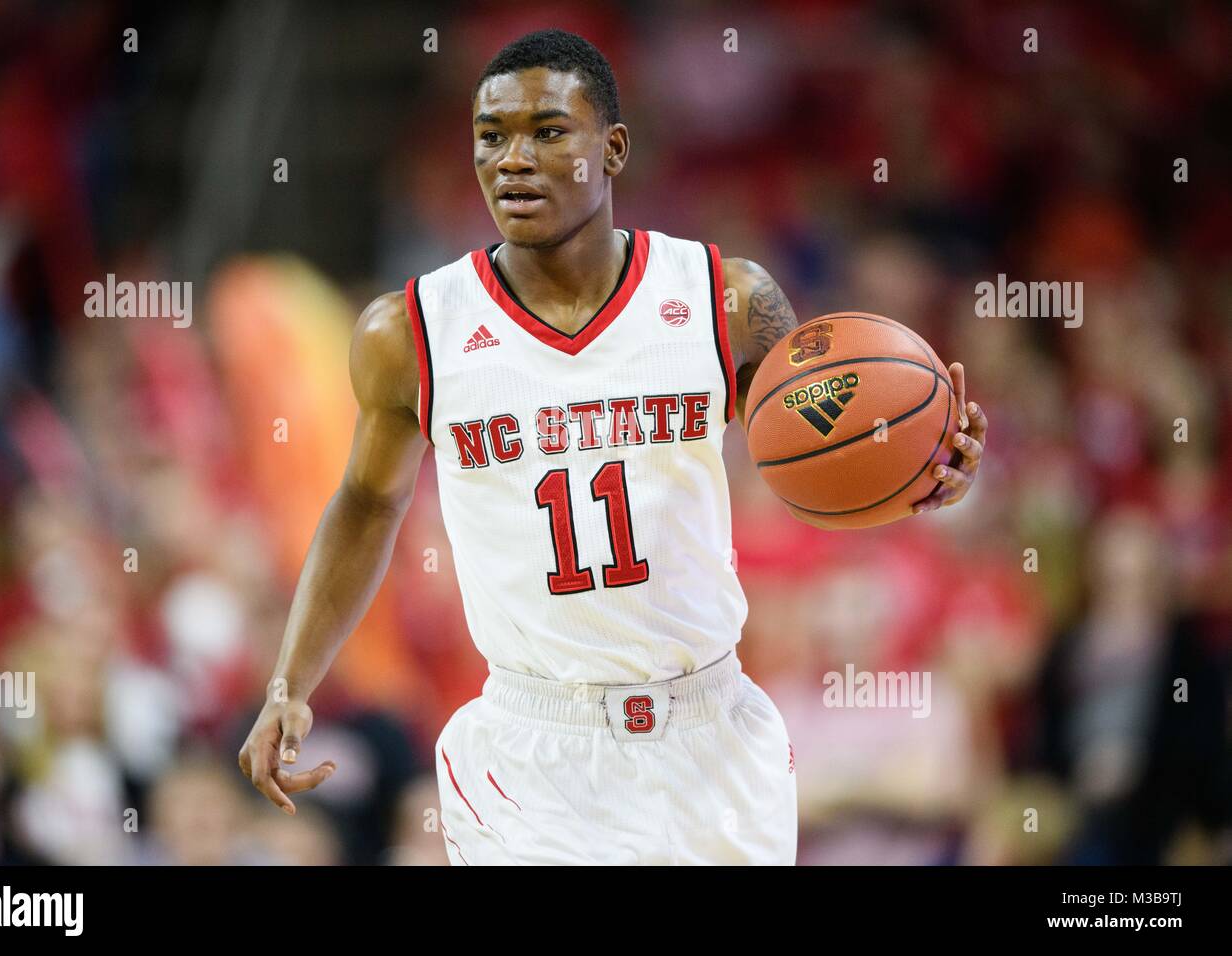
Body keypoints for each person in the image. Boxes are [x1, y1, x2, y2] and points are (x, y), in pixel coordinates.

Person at [237, 29, 988, 865]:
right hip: (533, 748)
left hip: (709, 735)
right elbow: (368, 502)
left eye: (548, 132)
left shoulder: (726, 298)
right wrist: (290, 683)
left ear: (614, 147)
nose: (513, 160)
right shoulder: (408, 332)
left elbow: (820, 460)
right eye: (492, 138)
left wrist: (921, 469)